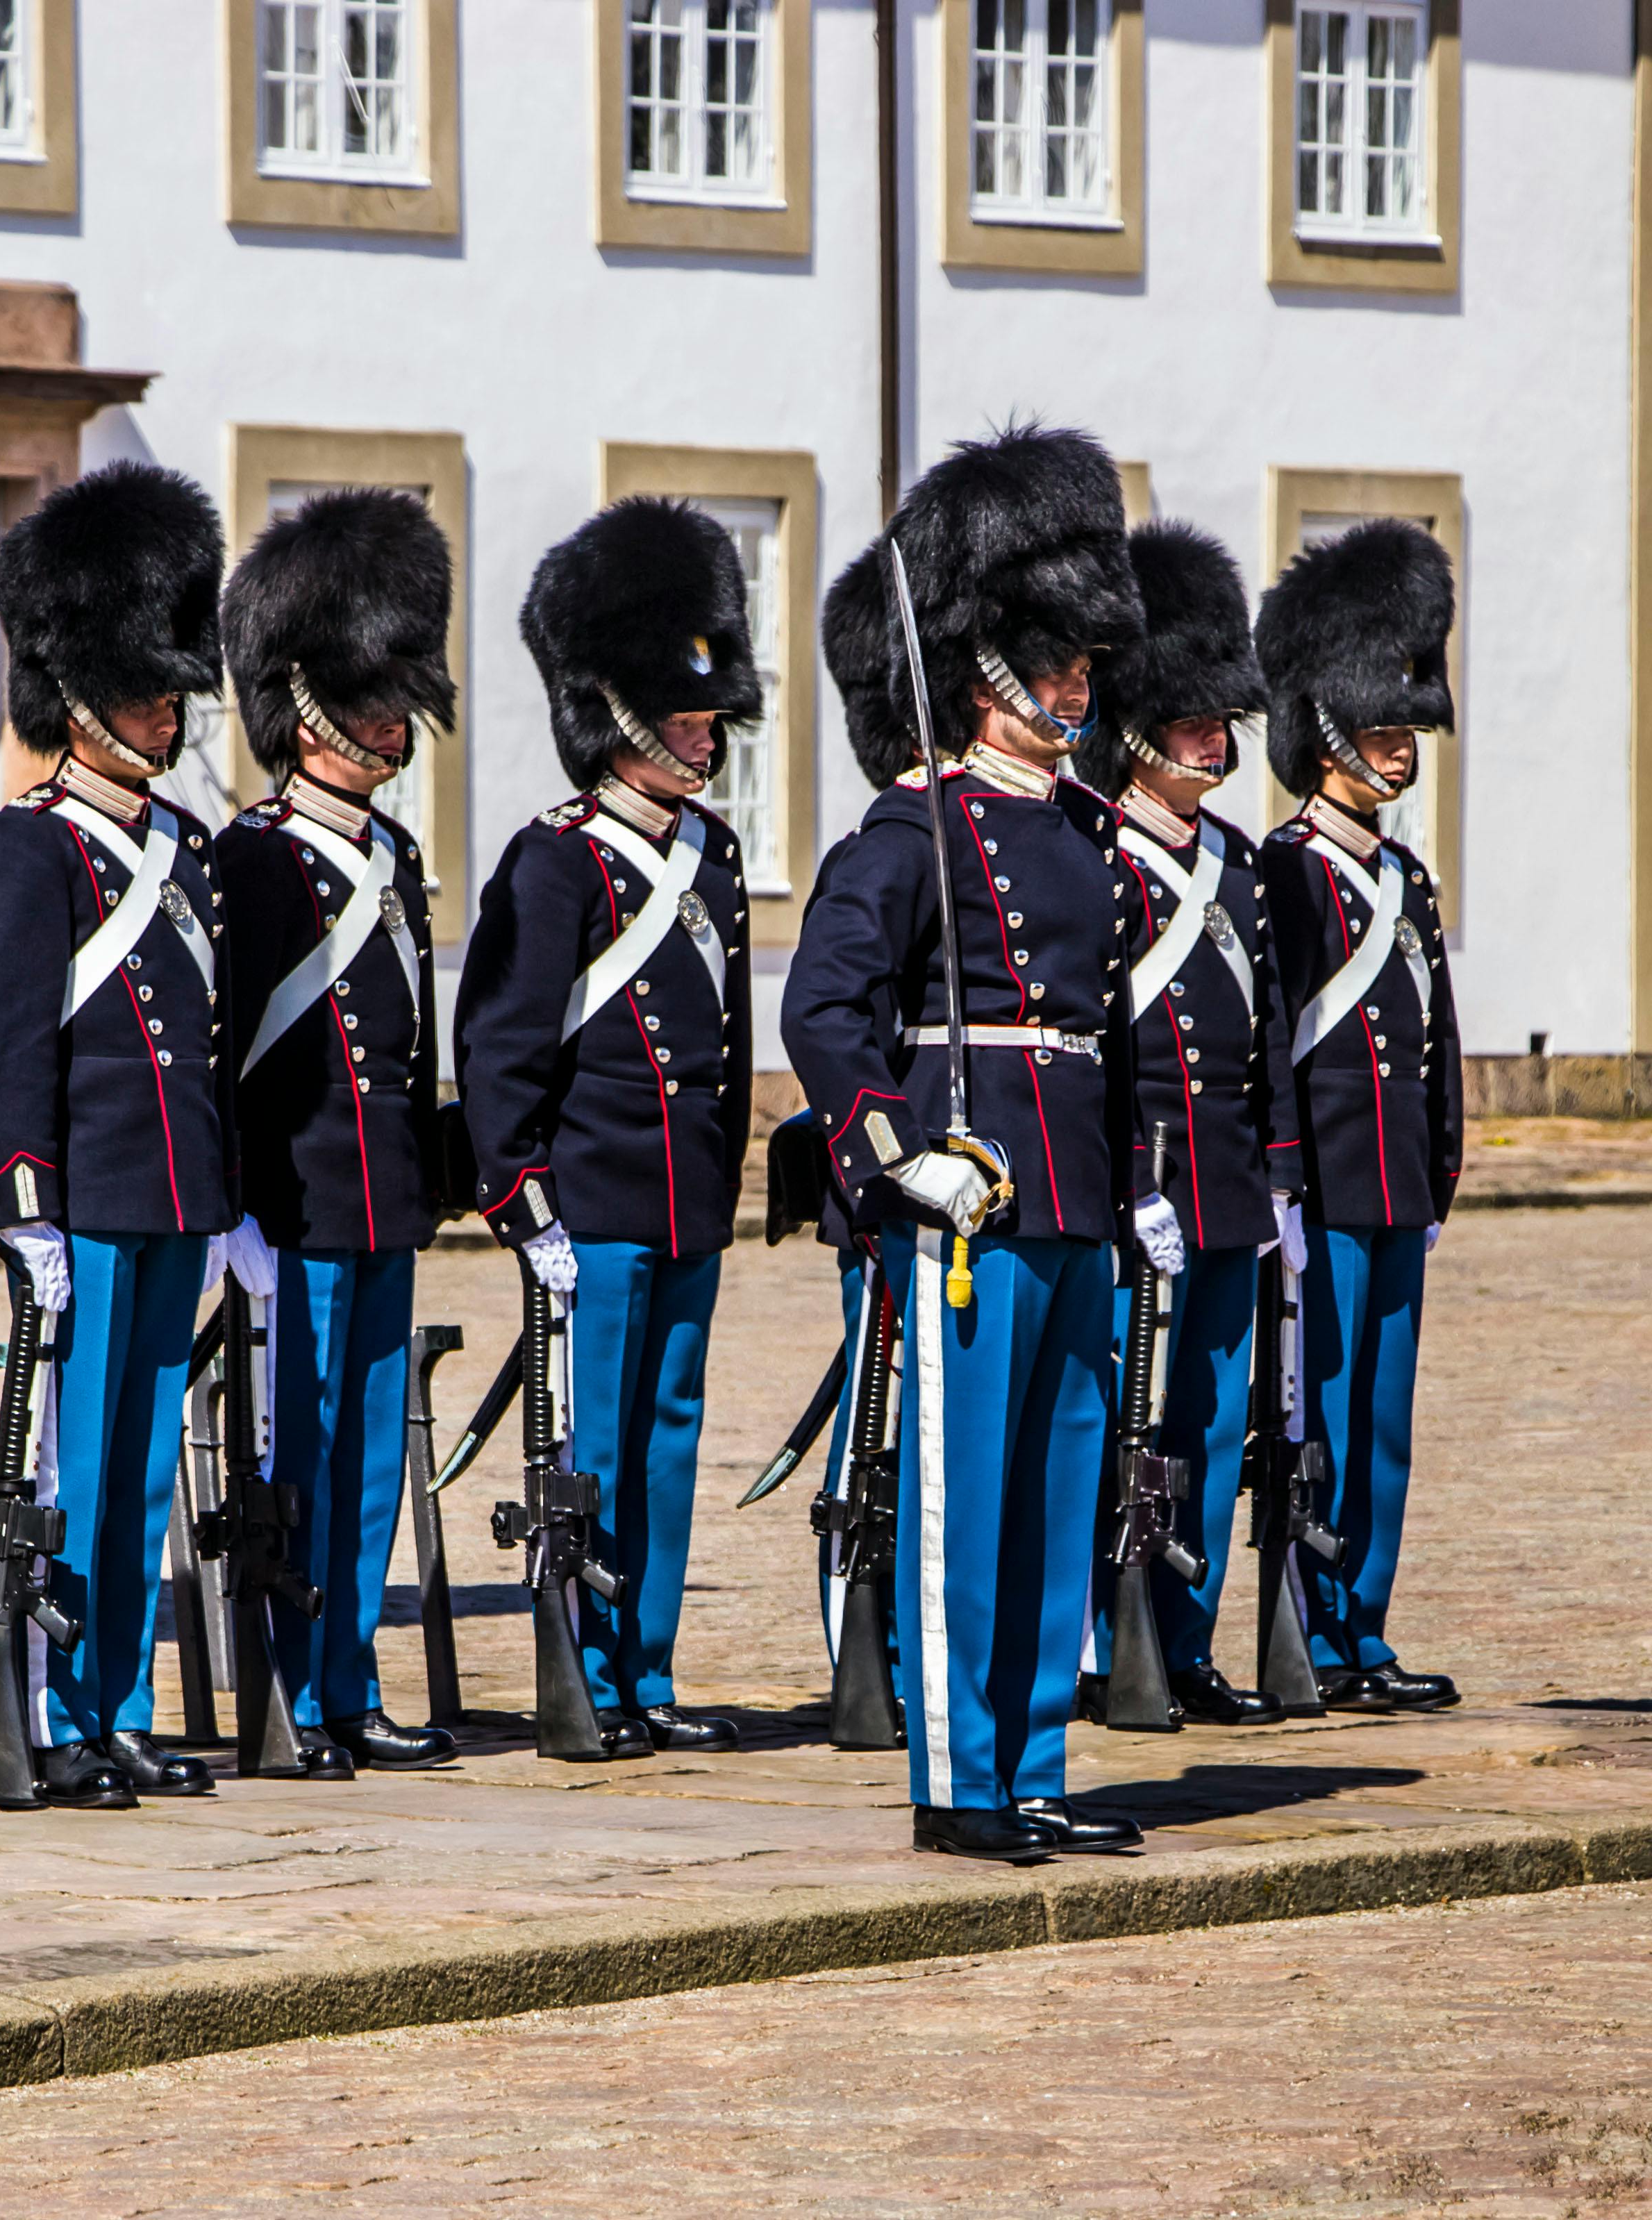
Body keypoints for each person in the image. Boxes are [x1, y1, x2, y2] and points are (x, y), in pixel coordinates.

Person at [780, 424, 1149, 1863]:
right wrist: (886, 1153)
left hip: (1065, 1194)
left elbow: (1094, 1027)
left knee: (1057, 1498)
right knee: (963, 1509)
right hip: (963, 1200)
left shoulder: (1078, 829)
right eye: (1049, 667)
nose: (1073, 690)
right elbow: (823, 1007)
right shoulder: (910, 833)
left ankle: (1035, 1760)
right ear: (984, 670)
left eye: (1077, 666)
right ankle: (957, 1775)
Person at [454, 497, 760, 1762]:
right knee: (587, 1449)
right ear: (619, 715)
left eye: (706, 717)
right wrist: (520, 1192)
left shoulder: (716, 855)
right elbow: (501, 1040)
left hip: (685, 1199)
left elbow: (728, 1043)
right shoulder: (556, 860)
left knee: (668, 1439)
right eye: (684, 718)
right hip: (590, 1199)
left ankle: (648, 1662)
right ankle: (579, 1670)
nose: (703, 736)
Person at [0, 460, 239, 1809]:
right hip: (82, 1201)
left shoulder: (183, 847)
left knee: (137, 1473)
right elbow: (7, 1037)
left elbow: (209, 1034)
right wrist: (20, 1204)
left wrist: (225, 1194)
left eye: (171, 684)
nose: (165, 708)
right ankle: (51, 1709)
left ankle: (115, 1699)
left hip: (175, 1198)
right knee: (65, 1472)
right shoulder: (30, 847)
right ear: (79, 697)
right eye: (141, 687)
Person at [210, 489, 461, 1774]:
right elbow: (226, 1048)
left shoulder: (395, 854)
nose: (388, 723)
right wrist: (235, 1205)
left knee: (369, 1457)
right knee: (296, 1454)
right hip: (291, 1200)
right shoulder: (250, 861)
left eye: (395, 698)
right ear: (302, 709)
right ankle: (291, 1690)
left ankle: (351, 1678)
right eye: (367, 700)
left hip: (382, 1194)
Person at [1071, 520, 1291, 1728]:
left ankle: (1187, 1641)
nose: (1214, 742)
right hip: (1138, 1184)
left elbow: (1258, 1047)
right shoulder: (1100, 857)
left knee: (1205, 1419)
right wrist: (1121, 1189)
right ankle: (1116, 1639)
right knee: (1126, 1420)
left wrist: (1276, 1187)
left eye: (1223, 723)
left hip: (1224, 1185)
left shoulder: (1242, 869)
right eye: (1194, 721)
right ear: (1143, 725)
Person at [1253, 520, 1466, 1714]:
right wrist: (1282, 1178)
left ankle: (1365, 1624)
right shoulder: (1289, 872)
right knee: (1318, 1414)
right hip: (1325, 1181)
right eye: (1382, 729)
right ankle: (1313, 1628)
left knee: (1382, 1418)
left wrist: (1439, 1172)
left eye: (1405, 728)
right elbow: (1272, 1037)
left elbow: (1433, 1040)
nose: (1399, 746)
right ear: (1325, 734)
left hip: (1391, 1182)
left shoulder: (1404, 881)